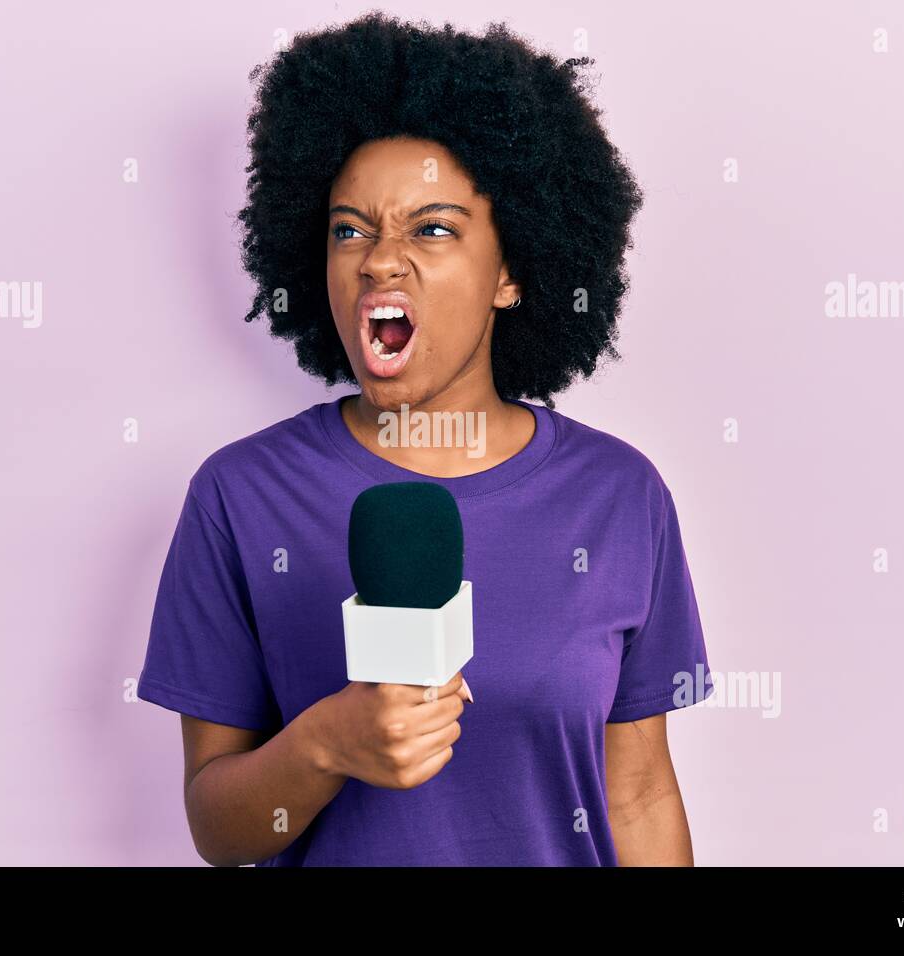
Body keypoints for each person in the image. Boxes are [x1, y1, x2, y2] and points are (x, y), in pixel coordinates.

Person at [137, 11, 713, 866]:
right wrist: (326, 744)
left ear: (512, 272)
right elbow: (219, 831)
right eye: (349, 229)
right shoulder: (240, 496)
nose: (378, 260)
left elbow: (637, 793)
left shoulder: (620, 495)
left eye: (432, 228)